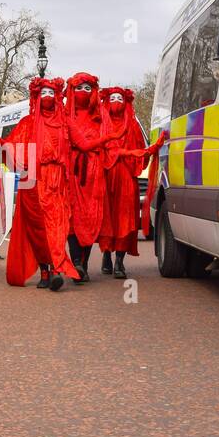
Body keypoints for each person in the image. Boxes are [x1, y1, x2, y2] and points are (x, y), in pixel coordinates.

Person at [4, 78, 80, 291]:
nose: (47, 98)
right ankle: (45, 270)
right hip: (32, 182)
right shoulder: (27, 123)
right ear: (37, 98)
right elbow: (10, 144)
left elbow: (82, 143)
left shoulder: (65, 123)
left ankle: (56, 268)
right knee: (37, 230)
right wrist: (13, 155)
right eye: (43, 94)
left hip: (56, 181)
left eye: (50, 94)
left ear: (57, 97)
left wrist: (111, 138)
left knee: (56, 226)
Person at [63, 72, 126, 282]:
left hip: (95, 173)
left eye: (87, 88)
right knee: (73, 218)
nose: (83, 92)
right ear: (72, 91)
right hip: (72, 172)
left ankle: (84, 264)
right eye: (79, 88)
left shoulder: (101, 114)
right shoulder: (65, 115)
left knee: (91, 217)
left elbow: (111, 146)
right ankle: (77, 264)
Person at [96, 87, 161, 278]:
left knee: (125, 219)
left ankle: (119, 262)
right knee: (107, 219)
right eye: (113, 98)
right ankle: (107, 254)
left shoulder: (132, 126)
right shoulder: (101, 124)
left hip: (126, 179)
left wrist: (150, 151)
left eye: (120, 98)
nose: (116, 101)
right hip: (106, 178)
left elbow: (141, 151)